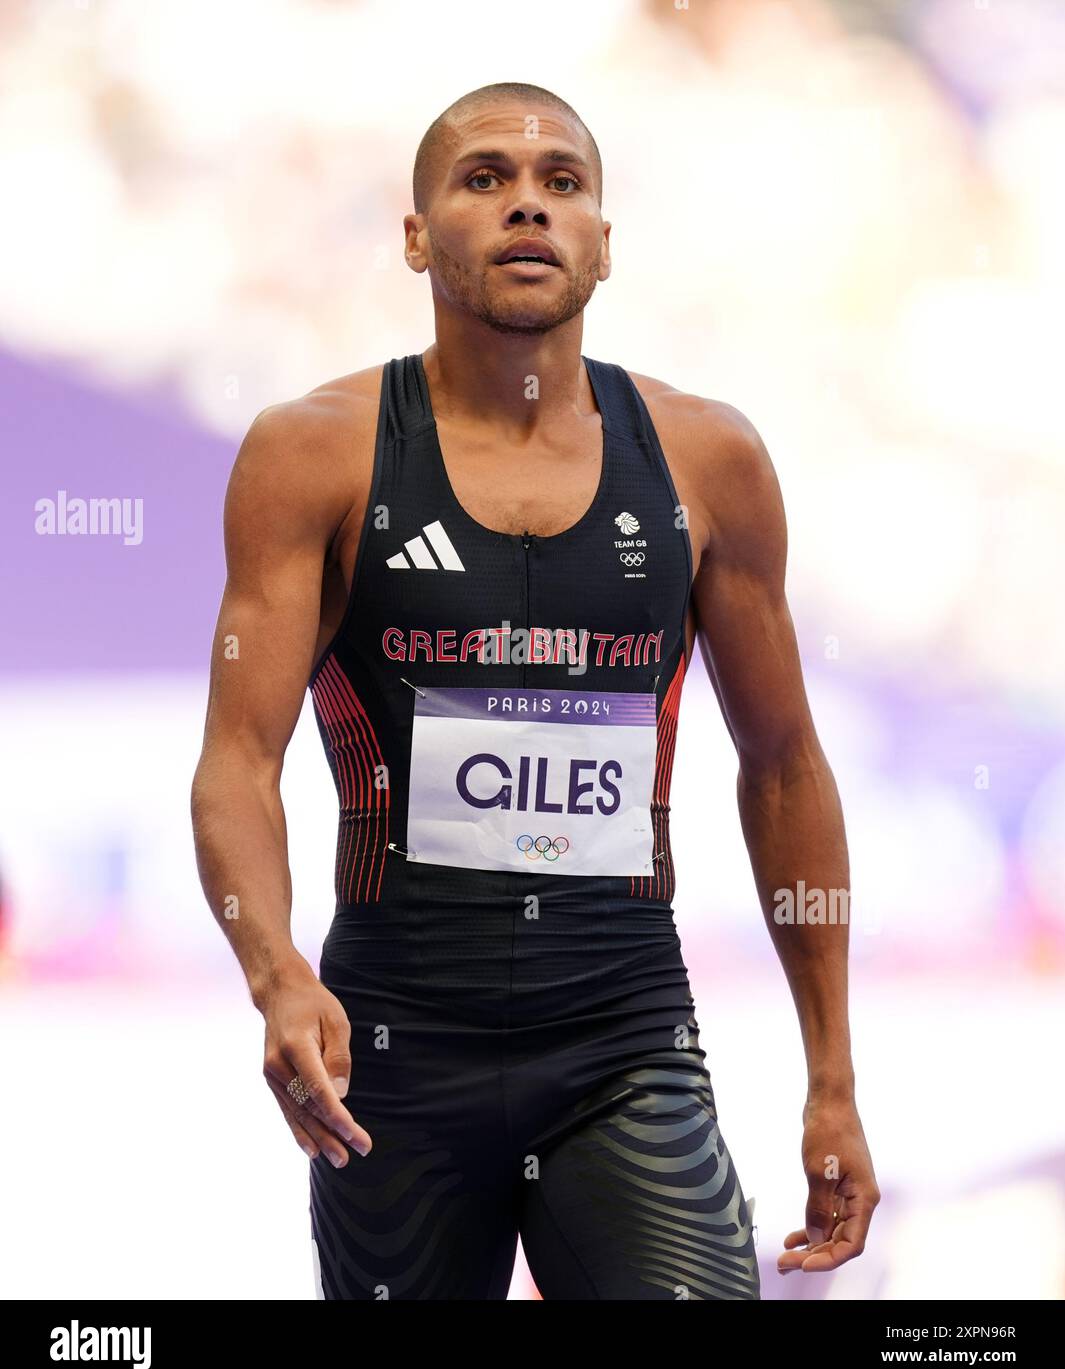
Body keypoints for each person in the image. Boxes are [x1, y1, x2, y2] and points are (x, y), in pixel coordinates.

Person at [190, 81, 879, 1300]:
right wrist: (277, 974)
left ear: (602, 242)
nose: (527, 205)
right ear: (415, 235)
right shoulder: (316, 450)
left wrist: (832, 1074)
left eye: (561, 183)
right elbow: (238, 759)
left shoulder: (708, 457)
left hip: (622, 1044)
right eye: (483, 179)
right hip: (390, 1059)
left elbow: (783, 764)